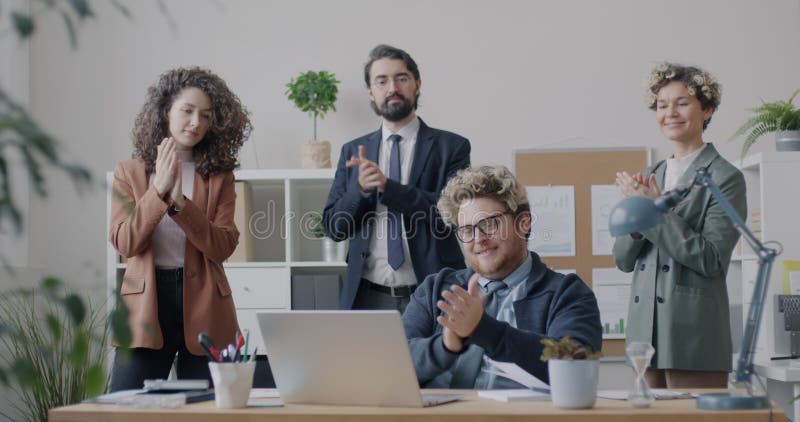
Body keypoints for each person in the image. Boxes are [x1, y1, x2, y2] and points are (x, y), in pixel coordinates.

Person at [108, 67, 252, 391]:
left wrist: (180, 204)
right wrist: (157, 191)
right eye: (187, 111)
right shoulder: (128, 172)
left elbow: (223, 246)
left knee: (210, 412)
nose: (196, 122)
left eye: (206, 115)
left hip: (206, 307)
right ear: (166, 111)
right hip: (146, 306)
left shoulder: (220, 176)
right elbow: (125, 243)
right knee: (123, 409)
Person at [403, 165, 602, 388]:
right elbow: (397, 362)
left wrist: (483, 329)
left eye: (489, 224)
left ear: (523, 223)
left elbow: (575, 369)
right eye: (467, 230)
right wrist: (447, 345)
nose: (479, 238)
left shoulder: (568, 294)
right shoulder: (435, 289)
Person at [613, 62, 746, 388]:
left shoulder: (726, 177)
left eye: (682, 103)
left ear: (707, 109)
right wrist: (638, 219)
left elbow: (712, 259)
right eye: (661, 105)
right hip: (643, 337)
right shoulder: (650, 173)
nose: (670, 112)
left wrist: (652, 212)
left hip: (694, 335)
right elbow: (623, 260)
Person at [323, 44, 471, 312]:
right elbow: (334, 227)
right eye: (382, 81)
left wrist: (387, 187)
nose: (392, 88)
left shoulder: (453, 147)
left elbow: (453, 215)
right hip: (368, 298)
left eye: (401, 78)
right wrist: (359, 190)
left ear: (417, 84)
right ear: (371, 91)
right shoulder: (353, 150)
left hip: (433, 296)